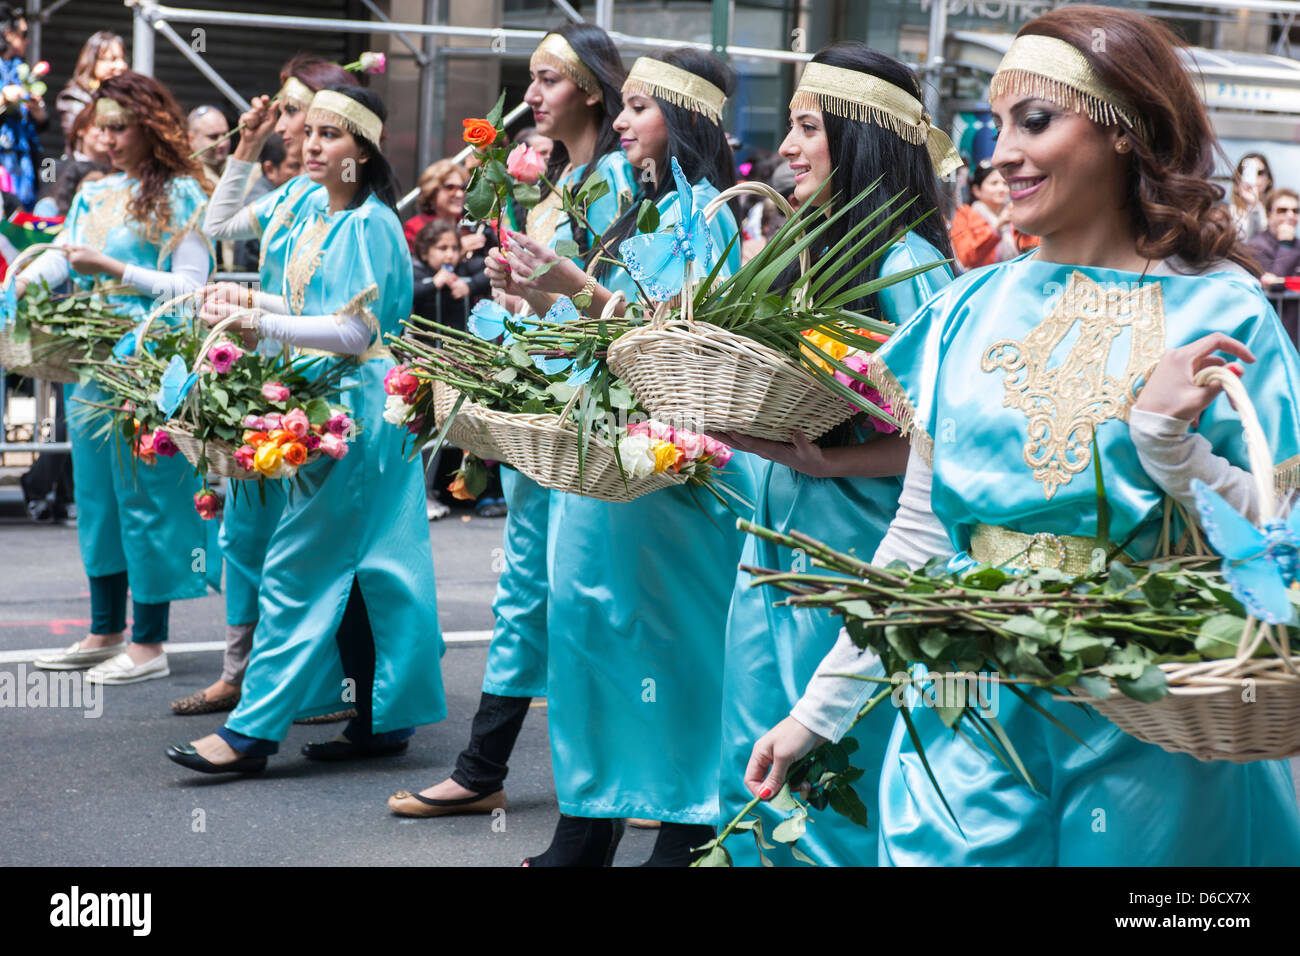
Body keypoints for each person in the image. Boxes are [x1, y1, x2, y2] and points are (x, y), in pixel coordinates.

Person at [746, 4, 1300, 866]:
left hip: (1151, 731)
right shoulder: (963, 309)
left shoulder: (1223, 314)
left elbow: (1281, 541)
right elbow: (922, 534)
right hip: (965, 726)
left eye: (1034, 121)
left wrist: (1169, 448)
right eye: (997, 125)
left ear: (1124, 130)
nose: (999, 153)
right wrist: (815, 713)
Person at [486, 48, 752, 866]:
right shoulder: (635, 211)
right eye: (624, 105)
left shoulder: (709, 216)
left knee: (671, 652)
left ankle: (689, 823)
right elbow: (602, 335)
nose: (625, 121)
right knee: (588, 638)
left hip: (672, 470)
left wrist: (574, 288)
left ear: (688, 119)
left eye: (641, 107)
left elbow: (682, 346)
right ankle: (587, 820)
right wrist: (533, 298)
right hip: (602, 457)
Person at [707, 42, 958, 867]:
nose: (784, 148)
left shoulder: (906, 263)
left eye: (807, 127)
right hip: (774, 557)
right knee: (756, 774)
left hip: (853, 566)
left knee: (833, 794)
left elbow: (939, 445)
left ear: (862, 141)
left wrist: (829, 465)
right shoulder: (806, 253)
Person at [385, 22, 637, 824]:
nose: (531, 96)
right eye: (530, 80)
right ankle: (483, 765)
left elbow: (617, 311)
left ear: (592, 90)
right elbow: (554, 299)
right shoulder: (555, 185)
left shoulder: (624, 185)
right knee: (526, 583)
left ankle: (627, 775)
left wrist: (543, 294)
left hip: (589, 415)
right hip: (536, 406)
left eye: (548, 80)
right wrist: (515, 294)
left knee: (591, 592)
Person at [168, 84, 447, 773]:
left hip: (358, 414)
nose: (312, 144)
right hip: (328, 406)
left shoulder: (373, 222)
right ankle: (381, 722)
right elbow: (305, 302)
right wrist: (248, 300)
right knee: (364, 572)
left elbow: (356, 329)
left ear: (365, 150)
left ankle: (252, 734)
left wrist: (258, 321)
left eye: (331, 134)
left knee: (298, 566)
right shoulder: (320, 215)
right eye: (310, 132)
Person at [171, 56, 358, 718]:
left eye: (288, 110)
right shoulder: (295, 195)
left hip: (314, 389)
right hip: (268, 377)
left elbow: (355, 321)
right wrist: (246, 147)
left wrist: (259, 312)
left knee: (294, 546)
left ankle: (315, 686)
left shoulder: (348, 205)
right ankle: (238, 671)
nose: (280, 121)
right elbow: (220, 225)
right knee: (243, 534)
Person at [21, 72, 214, 684]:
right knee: (99, 497)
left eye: (117, 126)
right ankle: (105, 629)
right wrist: (19, 279)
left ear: (149, 126)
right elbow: (62, 256)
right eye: (98, 126)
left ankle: (150, 643)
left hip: (152, 365)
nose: (104, 138)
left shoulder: (186, 194)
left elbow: (191, 288)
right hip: (90, 361)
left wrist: (112, 267)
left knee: (149, 497)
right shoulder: (91, 192)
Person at [949, 157, 1037, 271]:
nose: (1001, 189)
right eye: (994, 183)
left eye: (1005, 184)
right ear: (976, 190)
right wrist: (998, 226)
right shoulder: (965, 214)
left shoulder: (1014, 214)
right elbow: (965, 259)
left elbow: (1034, 250)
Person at [232, 134, 302, 273]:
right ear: (270, 169)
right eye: (294, 166)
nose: (303, 173)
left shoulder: (288, 195)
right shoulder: (264, 203)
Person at [0, 5, 45, 209]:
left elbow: (40, 127)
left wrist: (38, 113)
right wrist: (3, 97)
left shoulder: (20, 71)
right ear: (8, 34)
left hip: (23, 163)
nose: (27, 40)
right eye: (23, 34)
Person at [1247, 187, 1300, 342]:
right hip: (1269, 332)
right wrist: (1285, 245)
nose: (1290, 215)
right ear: (1269, 214)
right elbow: (1273, 283)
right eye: (1282, 210)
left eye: (1295, 210)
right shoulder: (1256, 246)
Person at [56, 30, 127, 145]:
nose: (122, 65)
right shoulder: (73, 97)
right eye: (112, 59)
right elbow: (76, 137)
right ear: (93, 62)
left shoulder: (127, 96)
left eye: (123, 59)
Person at [403, 158, 467, 252]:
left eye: (462, 188)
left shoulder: (470, 225)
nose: (459, 194)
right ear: (432, 194)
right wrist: (458, 250)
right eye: (450, 187)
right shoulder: (416, 227)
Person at [1229, 151, 1271, 242]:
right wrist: (1253, 205)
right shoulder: (1229, 213)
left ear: (1268, 179)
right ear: (1238, 177)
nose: (1255, 177)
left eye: (1260, 172)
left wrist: (1255, 205)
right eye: (1247, 171)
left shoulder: (1279, 209)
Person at [187, 105, 230, 189]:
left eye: (225, 135)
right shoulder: (186, 178)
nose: (223, 143)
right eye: (213, 137)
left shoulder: (251, 169)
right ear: (191, 139)